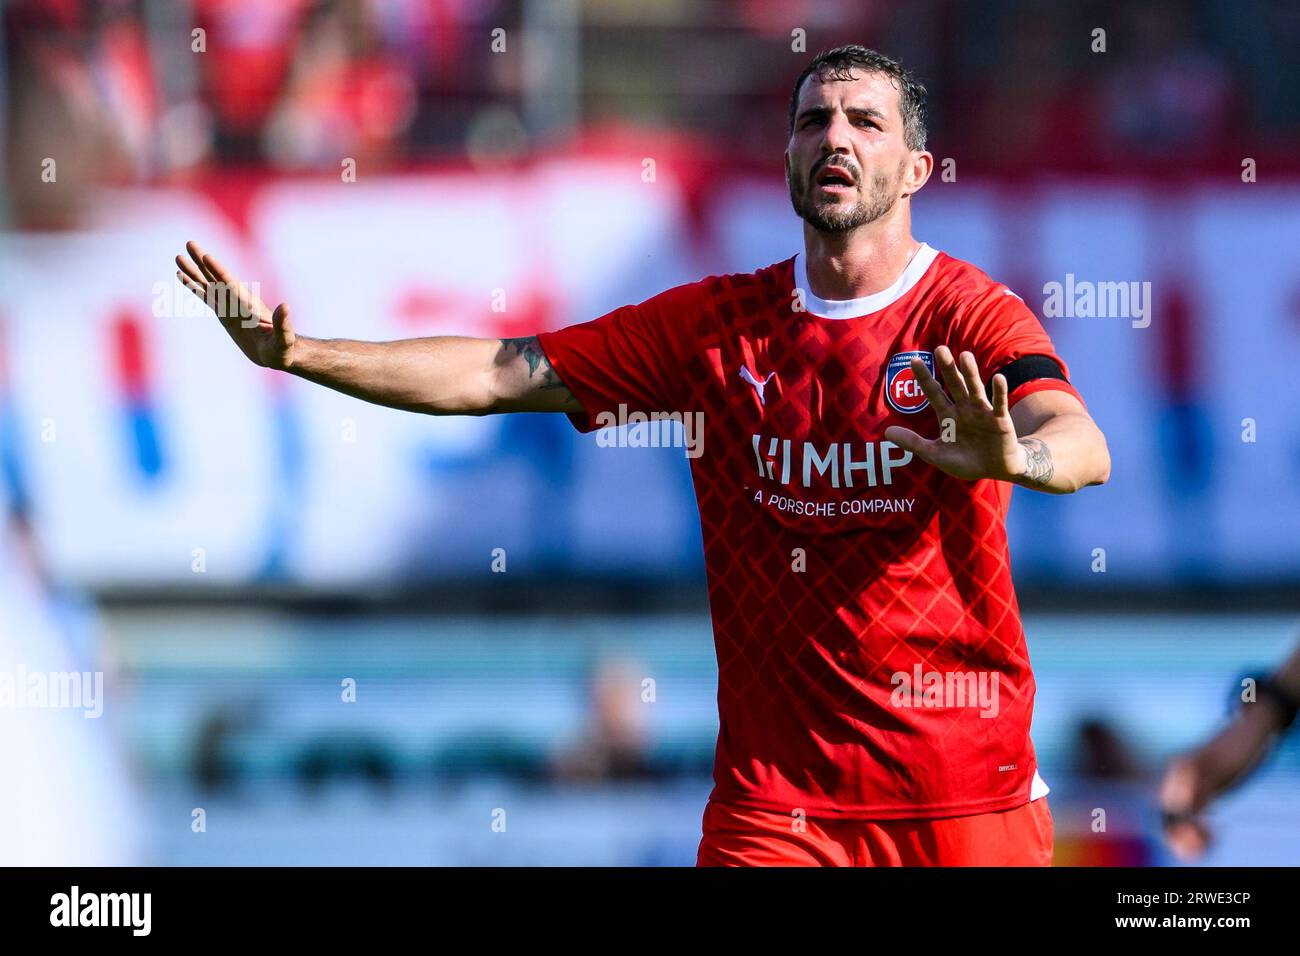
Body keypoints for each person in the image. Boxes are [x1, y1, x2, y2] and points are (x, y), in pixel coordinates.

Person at [175, 45, 1110, 866]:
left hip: (961, 793)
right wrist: (301, 353)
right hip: (776, 808)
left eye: (865, 122)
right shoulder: (716, 328)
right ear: (787, 155)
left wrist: (1018, 457)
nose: (836, 137)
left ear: (914, 168)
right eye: (813, 120)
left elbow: (1082, 443)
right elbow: (502, 375)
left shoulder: (967, 314)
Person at [1159, 641, 1300, 860]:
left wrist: (1184, 808)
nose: (1208, 838)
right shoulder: (1204, 796)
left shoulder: (1181, 795)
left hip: (1266, 701)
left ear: (1179, 832)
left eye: (1199, 843)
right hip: (1274, 710)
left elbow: (1183, 768)